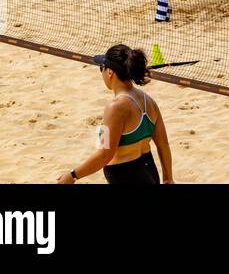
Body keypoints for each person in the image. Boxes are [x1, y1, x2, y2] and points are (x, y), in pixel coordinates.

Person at [58, 45, 173, 185]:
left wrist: (72, 175)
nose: (101, 73)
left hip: (126, 177)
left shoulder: (115, 108)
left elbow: (105, 155)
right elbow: (163, 144)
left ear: (110, 72)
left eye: (101, 67)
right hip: (149, 172)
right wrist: (168, 178)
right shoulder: (148, 101)